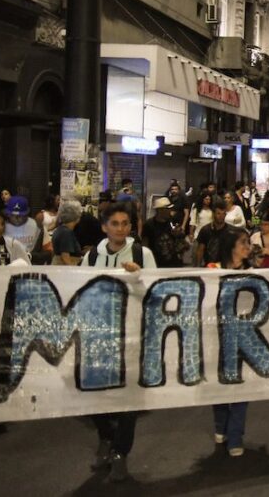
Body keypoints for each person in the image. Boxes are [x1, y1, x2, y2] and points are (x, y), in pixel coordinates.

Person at [80, 203, 156, 481]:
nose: (120, 229)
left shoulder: (142, 254)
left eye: (125, 223)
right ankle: (106, 437)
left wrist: (138, 278)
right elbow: (80, 290)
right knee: (95, 395)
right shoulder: (91, 257)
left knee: (128, 398)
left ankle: (120, 453)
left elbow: (155, 293)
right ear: (104, 227)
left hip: (131, 336)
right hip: (98, 337)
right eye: (115, 223)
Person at [207, 228, 254, 456]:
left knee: (241, 388)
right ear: (230, 246)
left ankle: (235, 435)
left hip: (244, 338)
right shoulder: (212, 270)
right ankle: (221, 426)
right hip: (216, 338)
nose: (248, 247)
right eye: (243, 242)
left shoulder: (252, 273)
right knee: (219, 385)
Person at [141, 197, 185, 268]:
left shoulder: (173, 222)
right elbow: (144, 244)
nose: (170, 211)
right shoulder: (149, 225)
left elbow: (183, 244)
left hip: (174, 264)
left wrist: (179, 235)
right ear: (160, 210)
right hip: (156, 264)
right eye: (167, 209)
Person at [195, 198, 238, 267]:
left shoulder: (231, 231)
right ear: (213, 214)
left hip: (226, 267)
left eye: (223, 214)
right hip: (209, 266)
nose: (221, 216)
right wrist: (197, 267)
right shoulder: (205, 230)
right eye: (218, 213)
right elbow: (200, 250)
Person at [4, 196, 46, 264]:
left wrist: (32, 256)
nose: (17, 219)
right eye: (13, 215)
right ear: (8, 214)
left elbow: (48, 250)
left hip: (32, 264)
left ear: (27, 213)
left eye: (20, 216)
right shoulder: (1, 227)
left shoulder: (37, 226)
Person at [50, 199, 83, 265]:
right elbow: (65, 257)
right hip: (64, 268)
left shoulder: (59, 229)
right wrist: (73, 269)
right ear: (76, 216)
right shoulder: (66, 233)